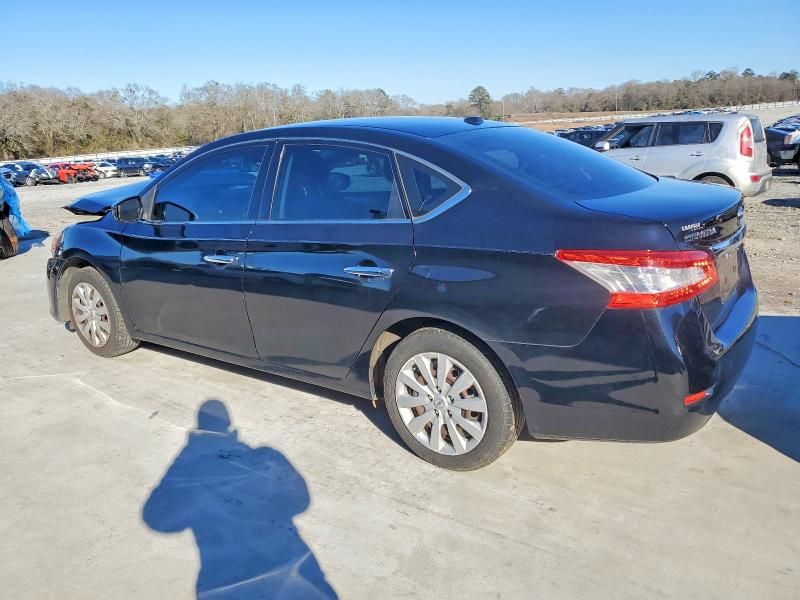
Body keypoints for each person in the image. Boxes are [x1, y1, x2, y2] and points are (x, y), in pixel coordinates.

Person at [143, 400, 337, 599]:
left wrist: (187, 453)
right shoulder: (267, 456)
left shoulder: (199, 465)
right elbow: (301, 502)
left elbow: (157, 519)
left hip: (227, 578)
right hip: (288, 569)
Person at [0, 173, 32, 238]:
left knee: (4, 222)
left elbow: (2, 192)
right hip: (5, 201)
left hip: (4, 202)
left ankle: (7, 238)